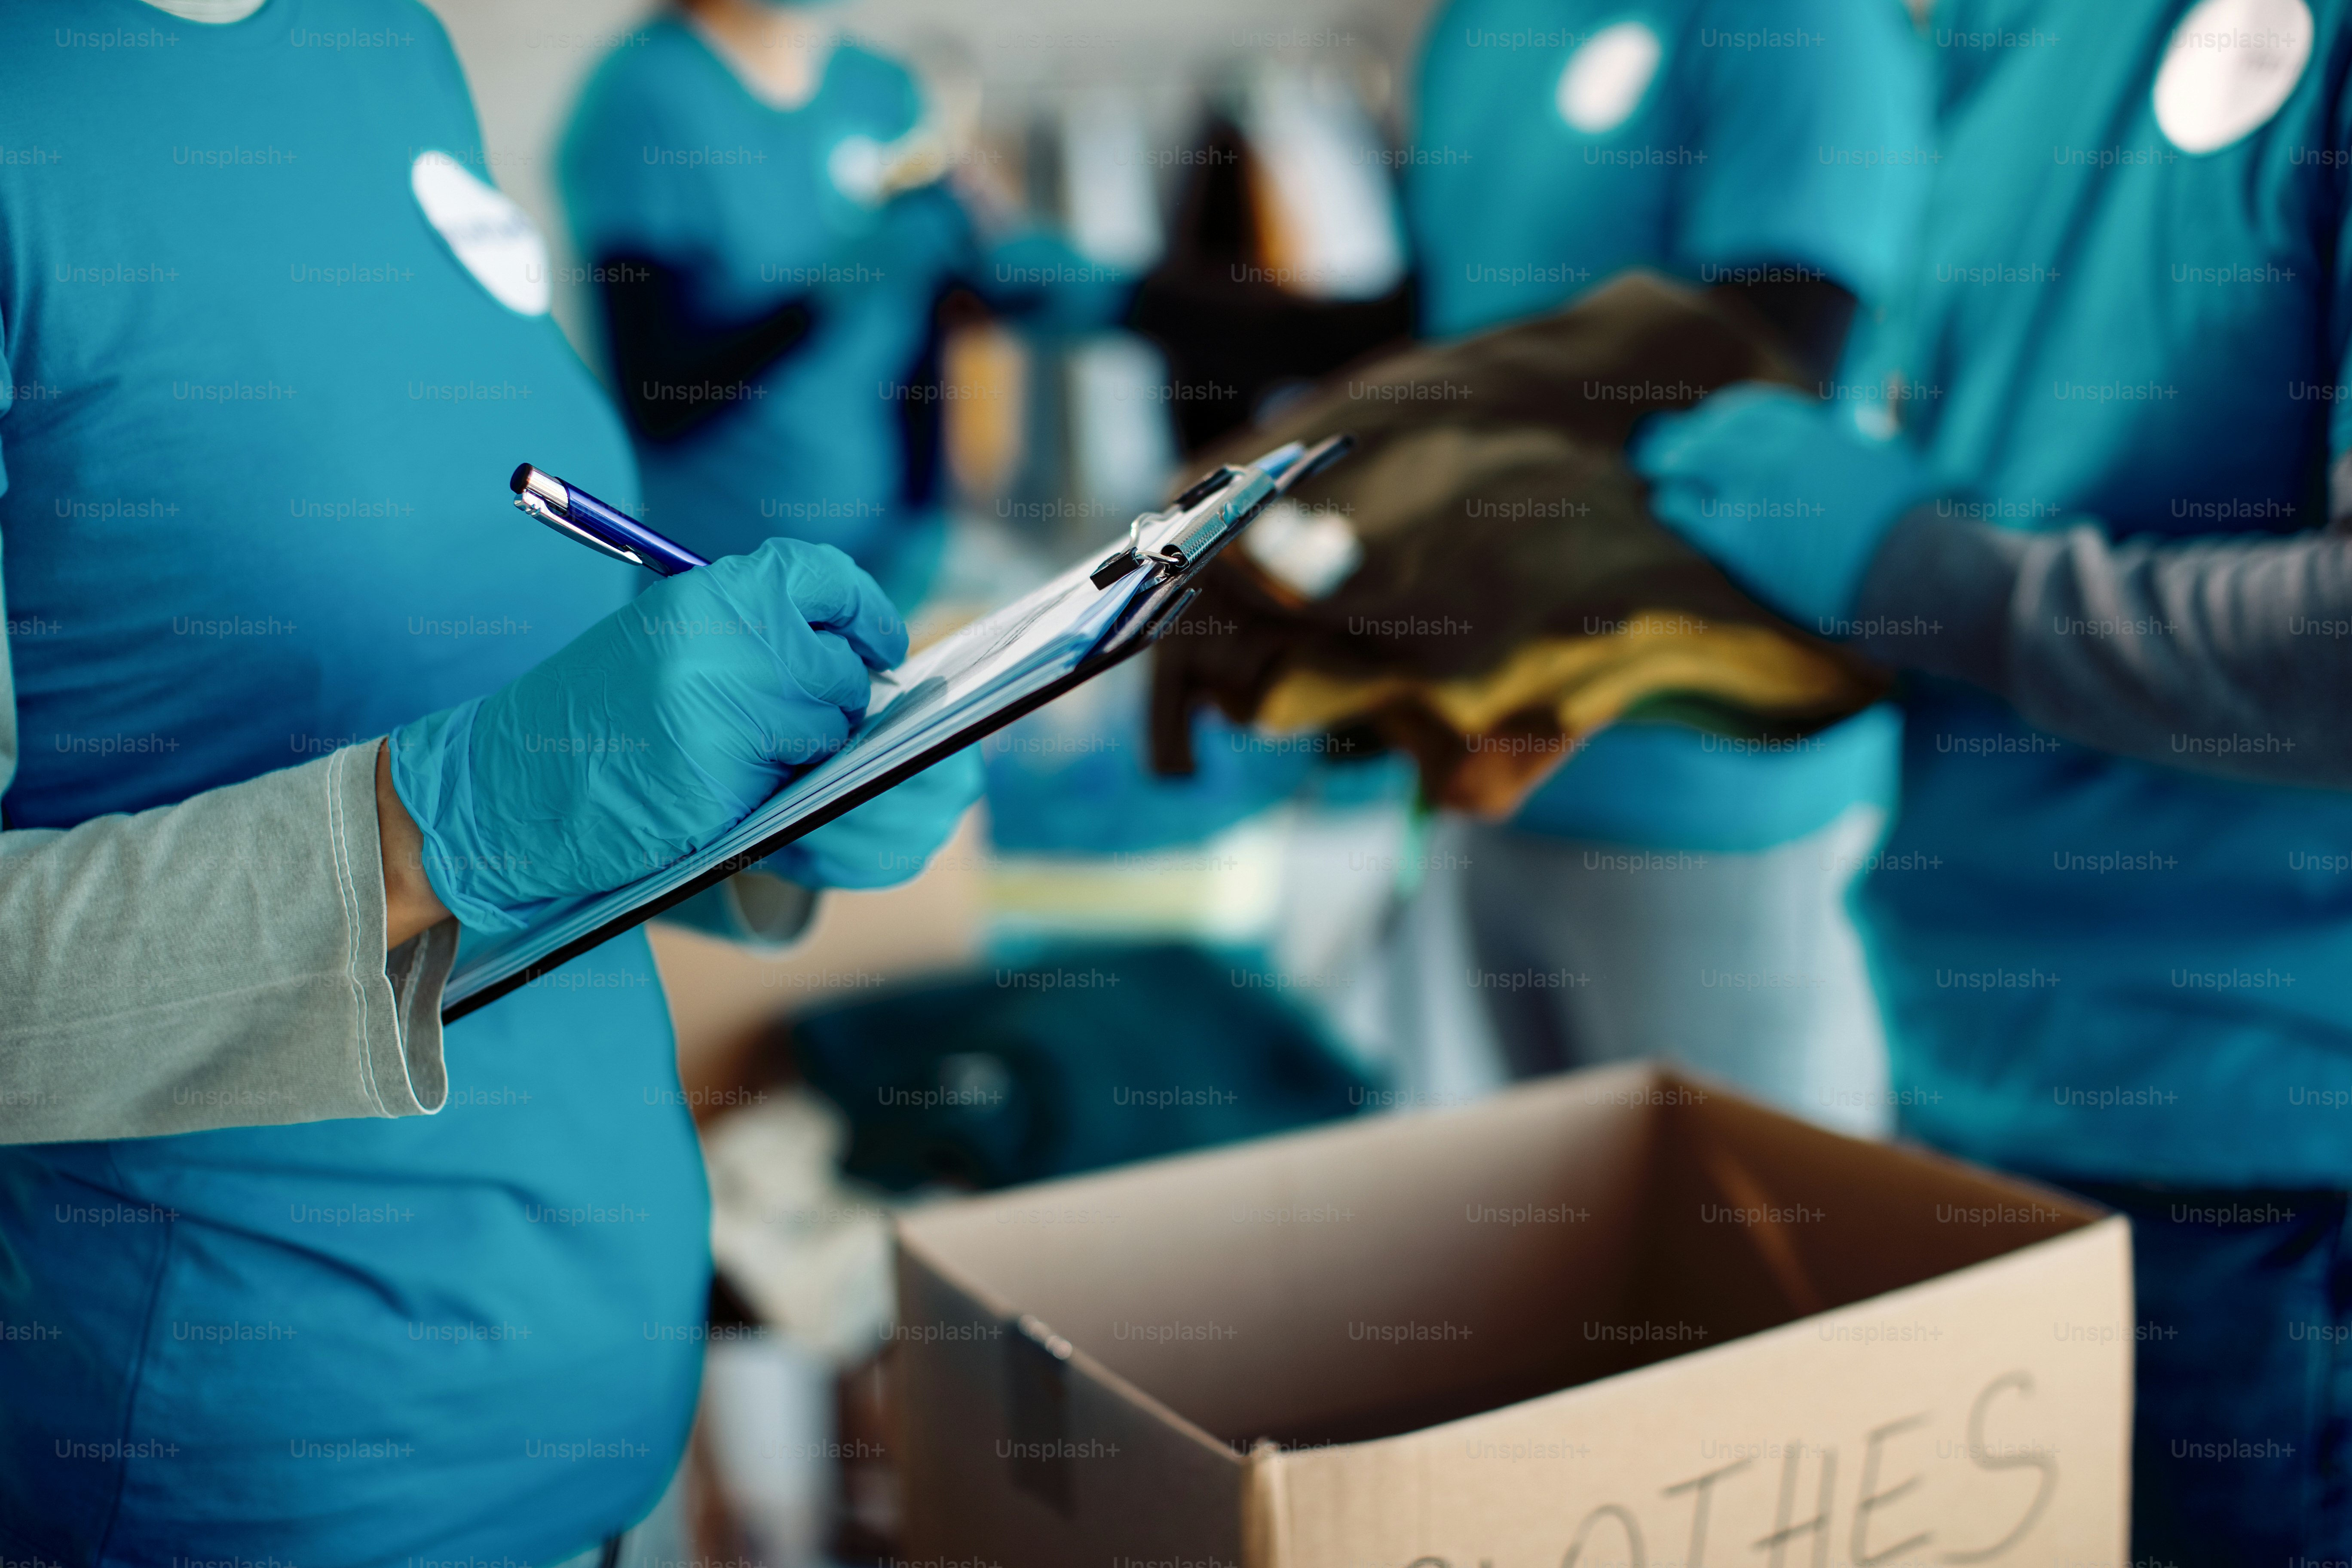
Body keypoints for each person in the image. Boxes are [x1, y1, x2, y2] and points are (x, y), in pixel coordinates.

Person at [0, 0, 974, 1561]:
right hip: (254, 1474)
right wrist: (433, 824)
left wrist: (762, 797)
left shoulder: (384, 44)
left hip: (600, 1422)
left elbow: (497, 689)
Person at [1632, 0, 2352, 1554]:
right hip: (1971, 1077)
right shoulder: (2006, 31)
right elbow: (2013, 480)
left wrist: (1933, 577)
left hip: (2269, 1161)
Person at [1389, 0, 1931, 1128]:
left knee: (1748, 1258)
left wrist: (1406, 469)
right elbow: (1432, 325)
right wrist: (1137, 304)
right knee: (1549, 1239)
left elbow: (1762, 359)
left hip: (1712, 783)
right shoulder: (1477, 30)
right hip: (1495, 749)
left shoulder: (1794, 28)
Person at [556, 0, 1125, 611]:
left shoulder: (882, 90)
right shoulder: (643, 98)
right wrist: (825, 296)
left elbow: (921, 344)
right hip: (722, 579)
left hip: (885, 564)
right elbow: (659, 397)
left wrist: (925, 524)